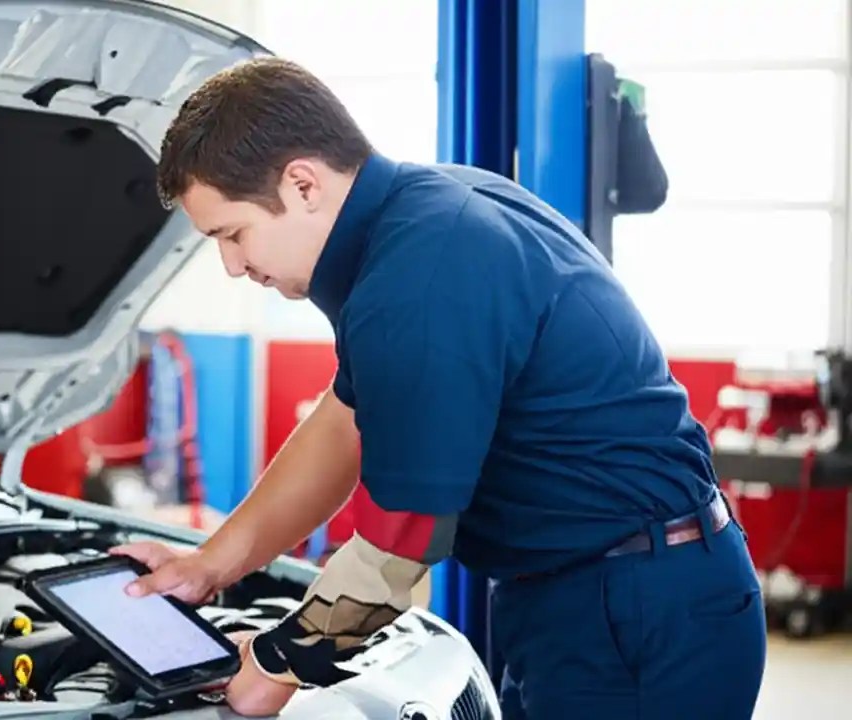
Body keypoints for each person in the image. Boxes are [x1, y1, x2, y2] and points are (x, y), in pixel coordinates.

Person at [110, 57, 766, 719]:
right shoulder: (421, 218)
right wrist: (209, 564)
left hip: (633, 615)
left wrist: (280, 663)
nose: (232, 266)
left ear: (303, 184)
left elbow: (402, 542)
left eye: (232, 233)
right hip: (596, 593)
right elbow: (344, 424)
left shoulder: (417, 280)